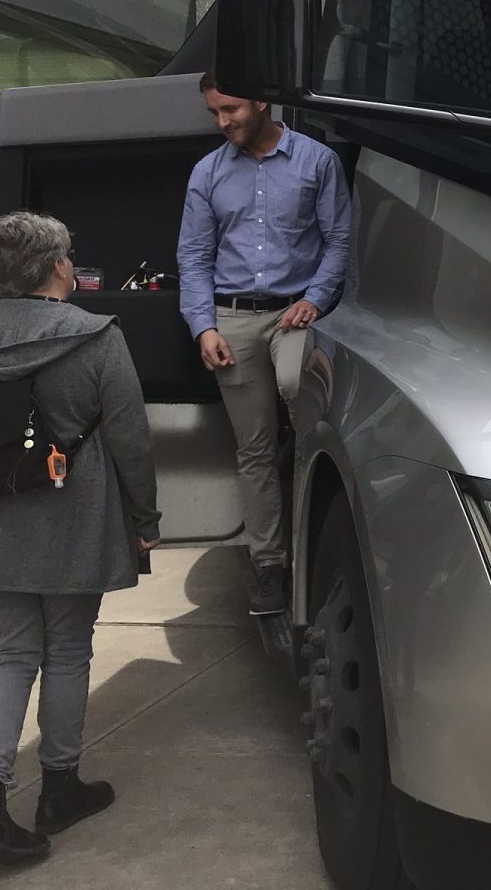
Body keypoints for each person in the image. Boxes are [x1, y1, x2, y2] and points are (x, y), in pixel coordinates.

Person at [0, 212, 159, 868]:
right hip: (75, 518)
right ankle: (58, 789)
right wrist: (145, 519)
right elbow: (131, 438)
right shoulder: (97, 336)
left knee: (9, 653)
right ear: (58, 267)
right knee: (69, 650)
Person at [177, 72, 351, 615]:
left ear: (260, 100)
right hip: (232, 317)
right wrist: (203, 326)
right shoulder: (208, 172)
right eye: (214, 112)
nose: (222, 121)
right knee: (253, 448)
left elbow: (339, 240)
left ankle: (314, 550)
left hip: (294, 314)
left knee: (304, 412)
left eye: (229, 109)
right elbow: (193, 256)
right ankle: (269, 565)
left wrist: (316, 298)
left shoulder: (317, 161)